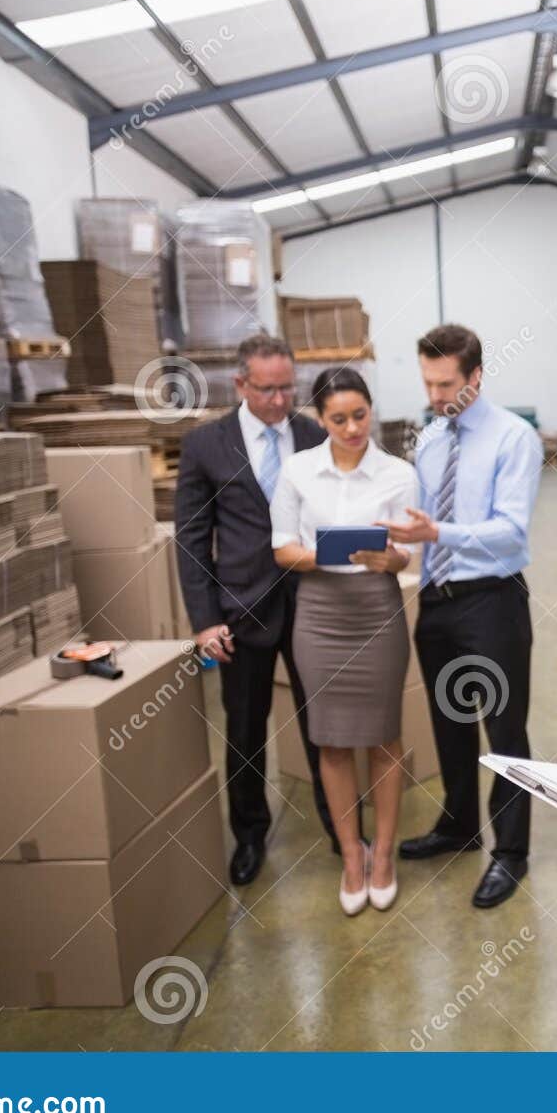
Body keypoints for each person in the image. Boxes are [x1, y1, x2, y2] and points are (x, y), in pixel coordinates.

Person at [381, 324, 543, 909]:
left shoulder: (513, 438)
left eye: (446, 383)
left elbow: (511, 531)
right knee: (449, 719)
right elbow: (419, 516)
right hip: (437, 599)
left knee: (503, 729)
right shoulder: (429, 438)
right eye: (428, 383)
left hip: (491, 601)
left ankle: (511, 852)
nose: (435, 394)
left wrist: (437, 532)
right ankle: (458, 825)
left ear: (475, 376)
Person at [174, 333, 342, 887]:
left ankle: (341, 827)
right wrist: (203, 622)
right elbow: (192, 540)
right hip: (239, 612)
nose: (277, 401)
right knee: (245, 731)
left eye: (286, 389)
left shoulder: (315, 435)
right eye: (266, 389)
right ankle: (249, 836)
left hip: (312, 606)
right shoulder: (206, 446)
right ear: (240, 384)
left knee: (325, 725)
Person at [270, 365, 418, 915]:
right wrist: (329, 553)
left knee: (382, 737)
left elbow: (405, 552)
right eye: (339, 419)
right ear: (319, 418)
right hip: (319, 613)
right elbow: (283, 549)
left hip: (376, 611)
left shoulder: (398, 473)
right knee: (331, 741)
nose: (353, 427)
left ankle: (383, 856)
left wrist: (388, 558)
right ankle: (351, 859)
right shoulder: (297, 471)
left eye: (360, 415)